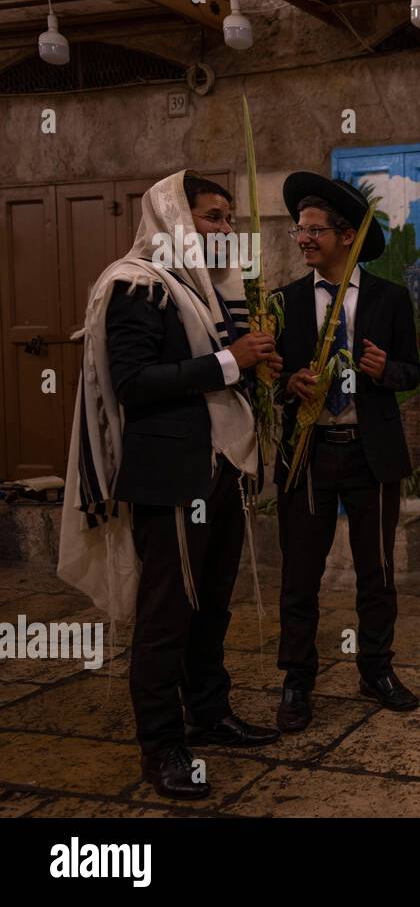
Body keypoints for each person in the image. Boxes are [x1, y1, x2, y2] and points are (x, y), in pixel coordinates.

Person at [59, 171, 282, 800]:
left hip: (221, 467)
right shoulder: (136, 284)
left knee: (212, 603)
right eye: (212, 217)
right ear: (175, 220)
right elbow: (134, 384)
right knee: (167, 613)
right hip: (173, 473)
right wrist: (230, 360)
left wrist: (256, 365)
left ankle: (208, 712)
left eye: (229, 219)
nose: (223, 230)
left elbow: (219, 374)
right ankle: (160, 746)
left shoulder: (208, 291)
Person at [273, 173, 420, 732]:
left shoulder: (390, 299)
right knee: (300, 576)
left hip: (372, 454)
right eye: (300, 230)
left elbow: (413, 370)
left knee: (376, 572)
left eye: (313, 231)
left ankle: (376, 669)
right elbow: (269, 380)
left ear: (344, 237)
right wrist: (289, 384)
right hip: (308, 457)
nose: (303, 239)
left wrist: (388, 372)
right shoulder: (284, 302)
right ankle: (296, 681)